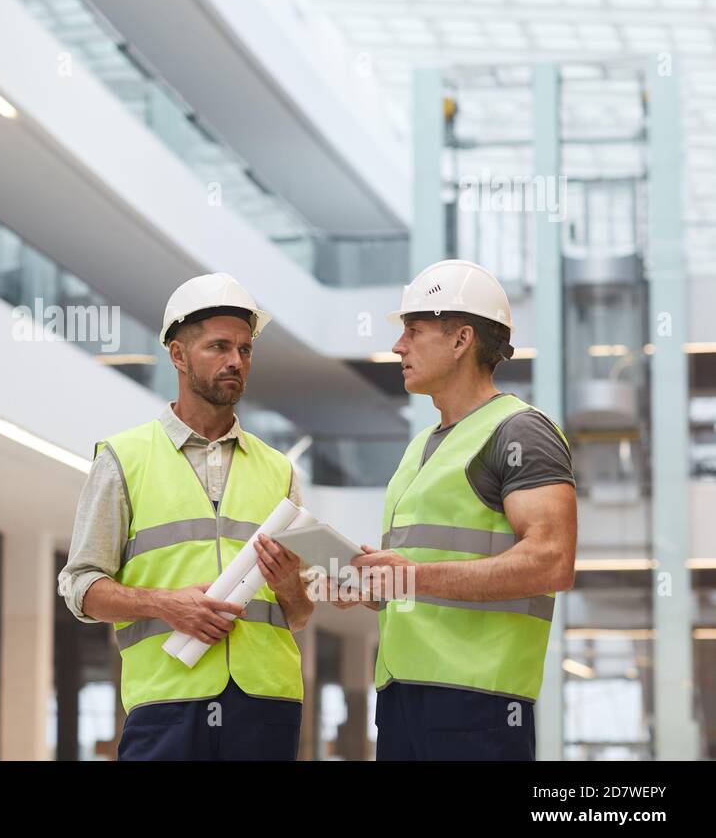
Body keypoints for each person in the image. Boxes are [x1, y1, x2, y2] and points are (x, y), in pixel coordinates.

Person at [58, 273, 312, 760]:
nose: (235, 361)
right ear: (178, 355)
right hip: (168, 705)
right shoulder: (123, 458)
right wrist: (164, 605)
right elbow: (80, 588)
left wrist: (288, 587)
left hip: (267, 707)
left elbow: (299, 615)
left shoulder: (279, 471)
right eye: (219, 346)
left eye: (244, 349)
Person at [338, 259, 577, 760]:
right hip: (402, 698)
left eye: (413, 330)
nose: (398, 346)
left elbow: (552, 561)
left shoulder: (519, 431)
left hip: (478, 706)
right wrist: (371, 586)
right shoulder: (421, 447)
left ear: (461, 339)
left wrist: (413, 577)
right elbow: (421, 577)